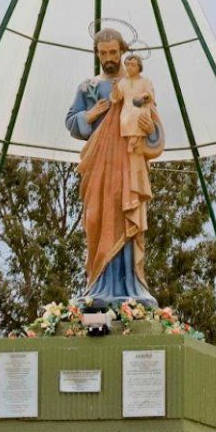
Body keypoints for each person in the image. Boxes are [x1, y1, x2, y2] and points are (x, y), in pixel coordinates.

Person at [65, 28, 164, 309]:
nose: (108, 58)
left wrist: (150, 129)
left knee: (126, 214)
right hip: (99, 165)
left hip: (128, 162)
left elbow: (154, 127)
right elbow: (72, 121)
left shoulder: (138, 85)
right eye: (103, 53)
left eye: (113, 52)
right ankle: (98, 284)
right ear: (97, 54)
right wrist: (91, 114)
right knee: (97, 219)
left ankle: (131, 287)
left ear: (123, 52)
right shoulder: (88, 88)